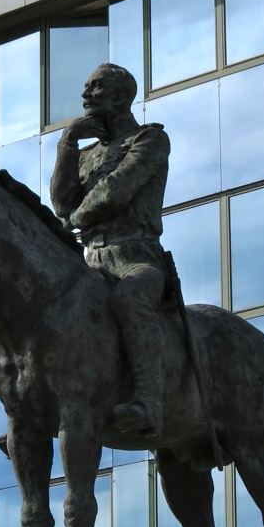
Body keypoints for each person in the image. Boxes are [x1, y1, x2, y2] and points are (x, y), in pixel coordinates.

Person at [50, 63, 170, 437]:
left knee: (129, 298)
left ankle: (149, 400)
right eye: (86, 87)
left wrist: (73, 220)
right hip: (92, 262)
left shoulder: (148, 140)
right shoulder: (85, 156)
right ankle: (36, 408)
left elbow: (115, 190)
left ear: (121, 96)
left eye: (96, 87)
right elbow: (61, 200)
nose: (86, 94)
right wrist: (67, 143)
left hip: (138, 257)